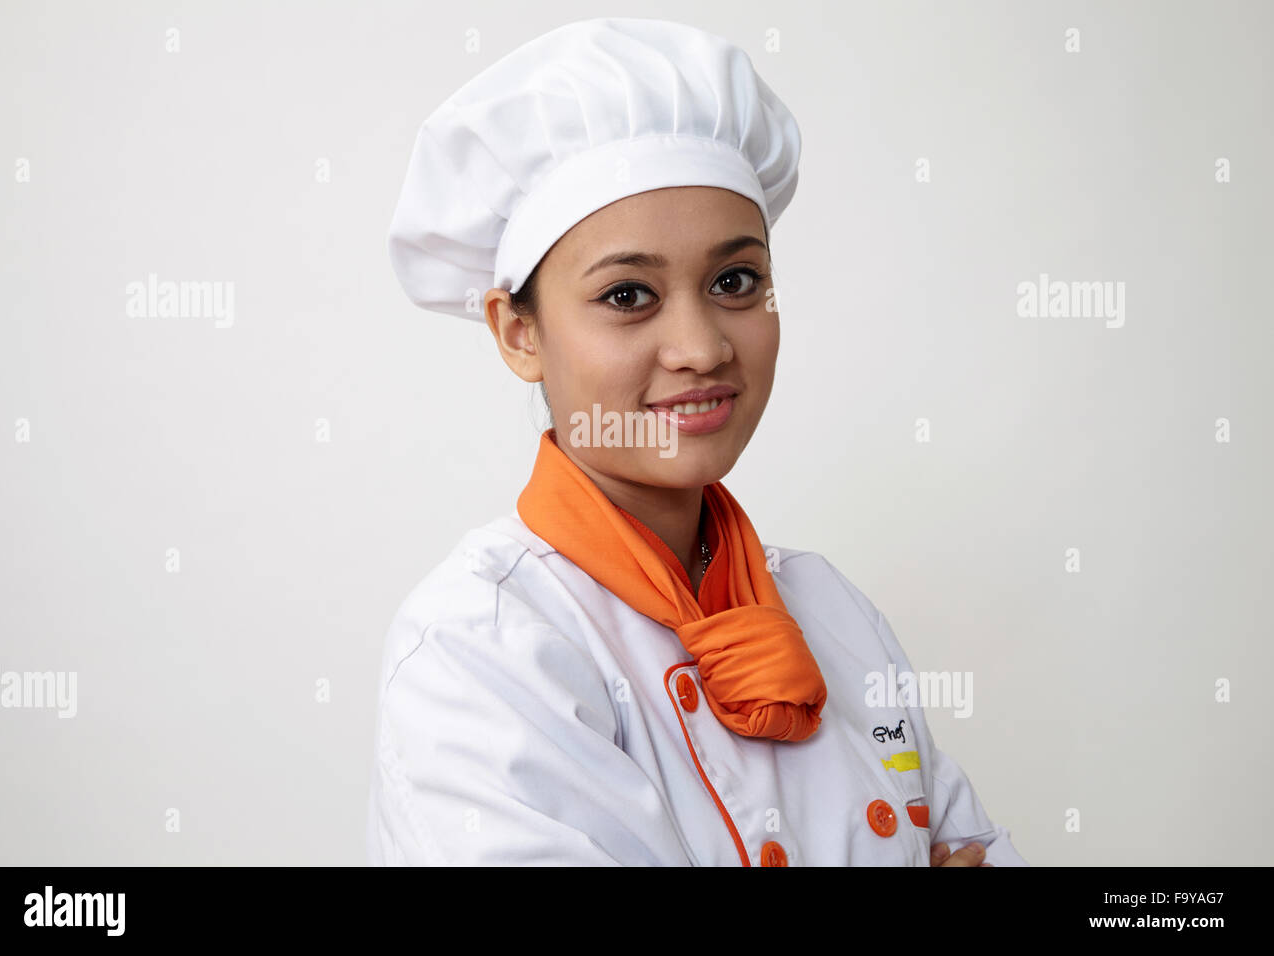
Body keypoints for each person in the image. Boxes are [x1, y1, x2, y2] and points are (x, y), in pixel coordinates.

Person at [367, 16, 1027, 867]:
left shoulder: (831, 610)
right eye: (628, 294)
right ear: (517, 333)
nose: (703, 347)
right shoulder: (481, 646)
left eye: (735, 282)